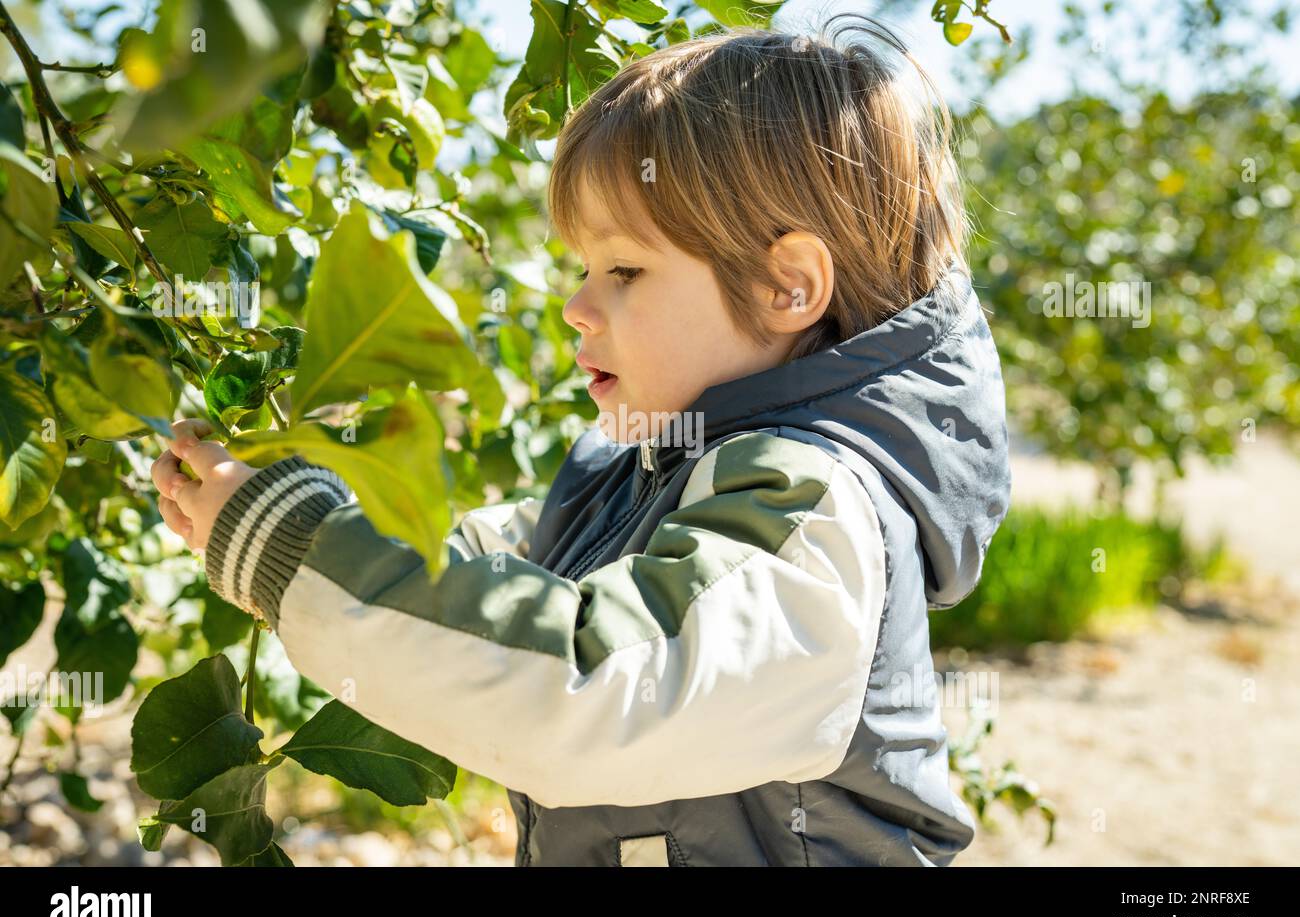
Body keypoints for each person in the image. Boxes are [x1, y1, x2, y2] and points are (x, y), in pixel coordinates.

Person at [149, 13, 1011, 866]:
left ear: (789, 285)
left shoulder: (812, 508)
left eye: (624, 270)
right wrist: (303, 509)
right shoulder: (640, 472)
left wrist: (298, 548)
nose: (575, 306)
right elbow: (477, 565)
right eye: (581, 268)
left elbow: (592, 686)